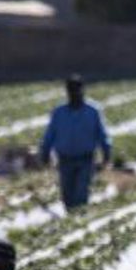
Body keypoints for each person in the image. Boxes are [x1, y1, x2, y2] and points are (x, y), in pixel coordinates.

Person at [38, 74, 112, 211]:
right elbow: (50, 134)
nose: (74, 94)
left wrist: (106, 153)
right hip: (65, 159)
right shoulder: (59, 112)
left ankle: (79, 217)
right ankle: (71, 217)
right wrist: (45, 152)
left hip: (86, 159)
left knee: (81, 193)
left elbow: (102, 134)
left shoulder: (93, 111)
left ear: (82, 90)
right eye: (71, 91)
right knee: (67, 195)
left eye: (77, 90)